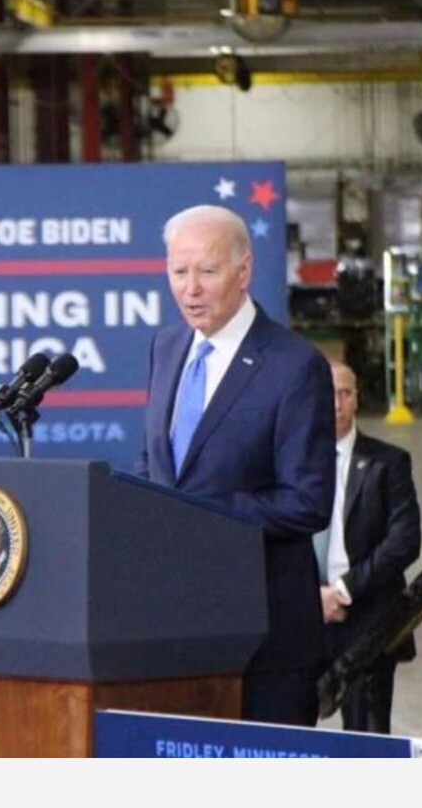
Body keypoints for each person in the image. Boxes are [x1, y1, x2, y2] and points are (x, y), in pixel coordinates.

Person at [135, 203, 335, 727]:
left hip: (263, 642)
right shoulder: (166, 346)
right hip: (173, 632)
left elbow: (307, 502)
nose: (190, 289)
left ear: (243, 272)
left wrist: (199, 513)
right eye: (178, 271)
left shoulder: (294, 366)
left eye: (207, 271)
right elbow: (155, 464)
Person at [314, 359, 421, 734]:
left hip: (365, 613)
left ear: (357, 399)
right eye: (328, 394)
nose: (336, 404)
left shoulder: (387, 463)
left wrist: (343, 591)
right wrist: (311, 597)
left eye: (345, 393)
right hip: (305, 613)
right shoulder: (290, 463)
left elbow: (405, 541)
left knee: (366, 735)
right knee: (287, 730)